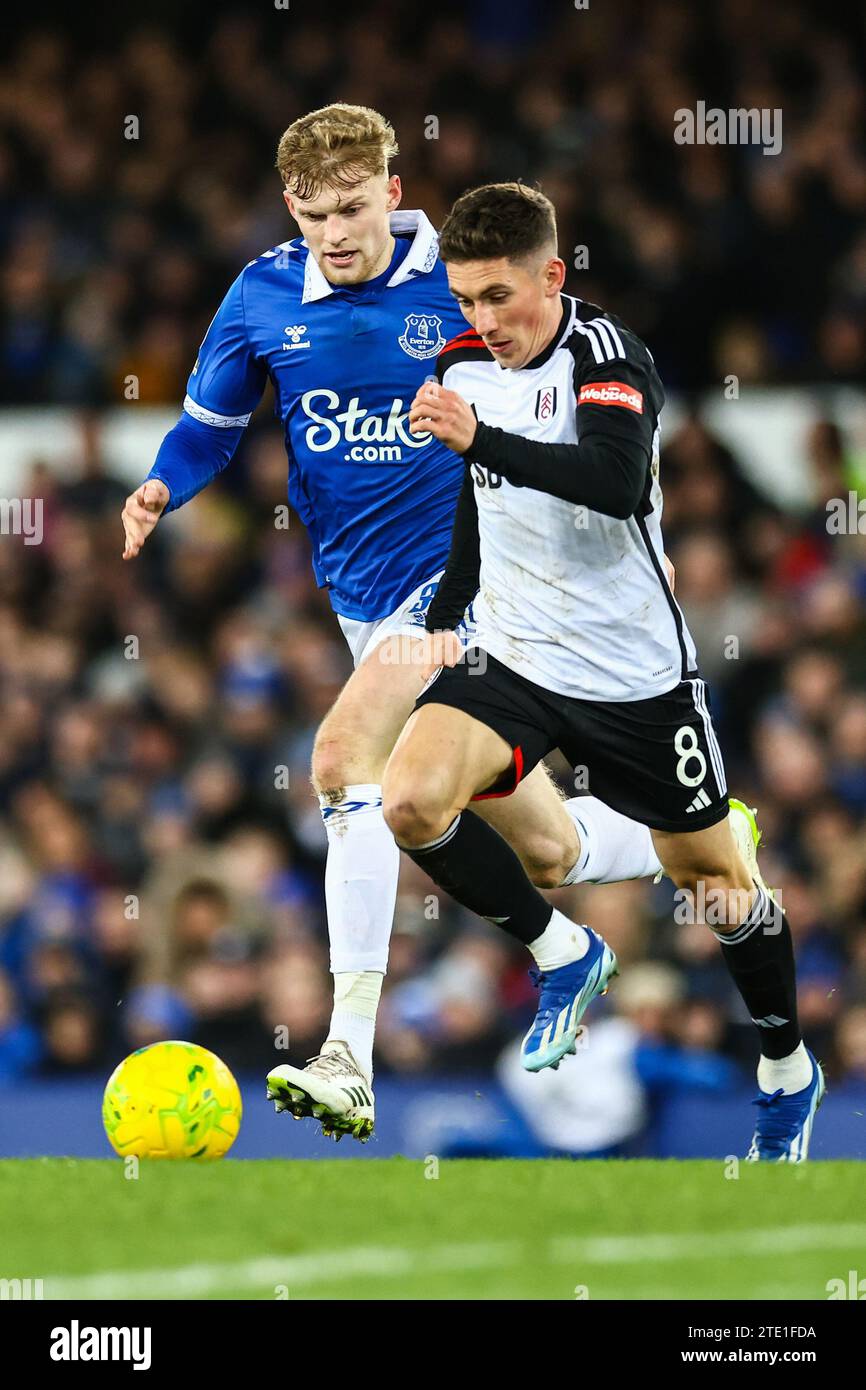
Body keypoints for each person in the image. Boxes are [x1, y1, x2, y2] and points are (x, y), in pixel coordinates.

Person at [121, 104, 681, 1143]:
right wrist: (159, 488)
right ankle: (681, 842)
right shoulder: (259, 296)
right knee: (547, 848)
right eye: (311, 213)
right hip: (360, 601)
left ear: (390, 189)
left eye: (349, 207)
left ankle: (347, 1052)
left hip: (473, 583)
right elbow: (208, 428)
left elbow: (574, 352)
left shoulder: (457, 281)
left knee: (342, 763)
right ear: (288, 206)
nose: (332, 232)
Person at [382, 181, 824, 1163]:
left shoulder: (607, 355)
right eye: (463, 299)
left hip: (632, 677)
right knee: (409, 801)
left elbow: (615, 482)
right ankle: (563, 951)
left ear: (549, 275)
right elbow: (479, 497)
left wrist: (478, 435)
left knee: (712, 884)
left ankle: (787, 1069)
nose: (479, 321)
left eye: (498, 296)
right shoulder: (462, 362)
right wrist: (448, 616)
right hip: (511, 652)